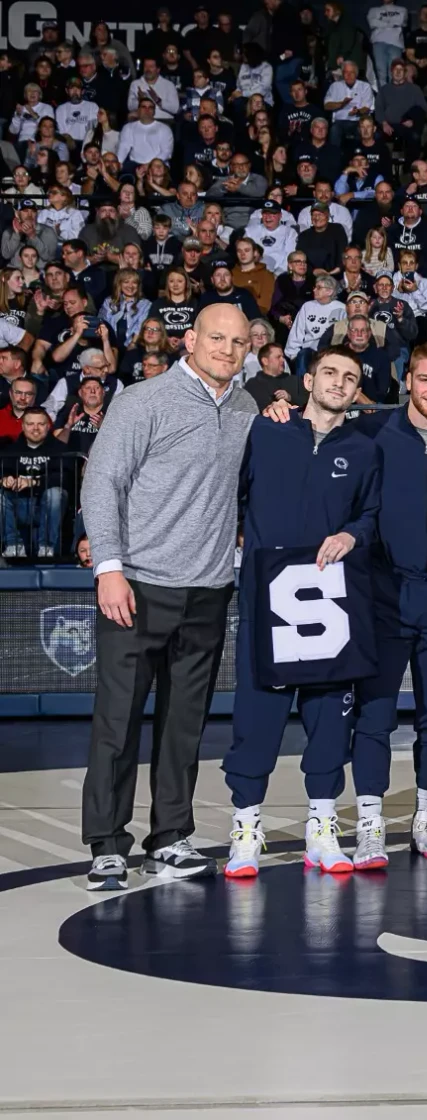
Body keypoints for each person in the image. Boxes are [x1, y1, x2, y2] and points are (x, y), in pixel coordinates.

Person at [77, 305, 257, 890]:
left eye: (238, 342)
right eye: (217, 338)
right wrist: (108, 567)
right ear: (190, 340)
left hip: (207, 589)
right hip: (138, 584)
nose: (227, 350)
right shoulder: (142, 400)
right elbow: (102, 481)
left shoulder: (247, 409)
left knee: (184, 724)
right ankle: (107, 843)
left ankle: (170, 835)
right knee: (118, 720)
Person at [300, 340, 427, 865]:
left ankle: (426, 819)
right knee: (375, 714)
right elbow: (312, 430)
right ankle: (371, 823)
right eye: (425, 379)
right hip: (382, 592)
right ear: (407, 379)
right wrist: (282, 410)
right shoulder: (369, 430)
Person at [219, 346, 381, 878]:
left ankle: (323, 824)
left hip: (332, 603)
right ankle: (245, 826)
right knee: (257, 716)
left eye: (350, 377)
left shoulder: (363, 448)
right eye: (330, 372)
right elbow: (228, 497)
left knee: (330, 719)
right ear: (308, 379)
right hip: (269, 599)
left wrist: (352, 534)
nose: (339, 382)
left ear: (358, 391)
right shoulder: (265, 432)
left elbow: (371, 516)